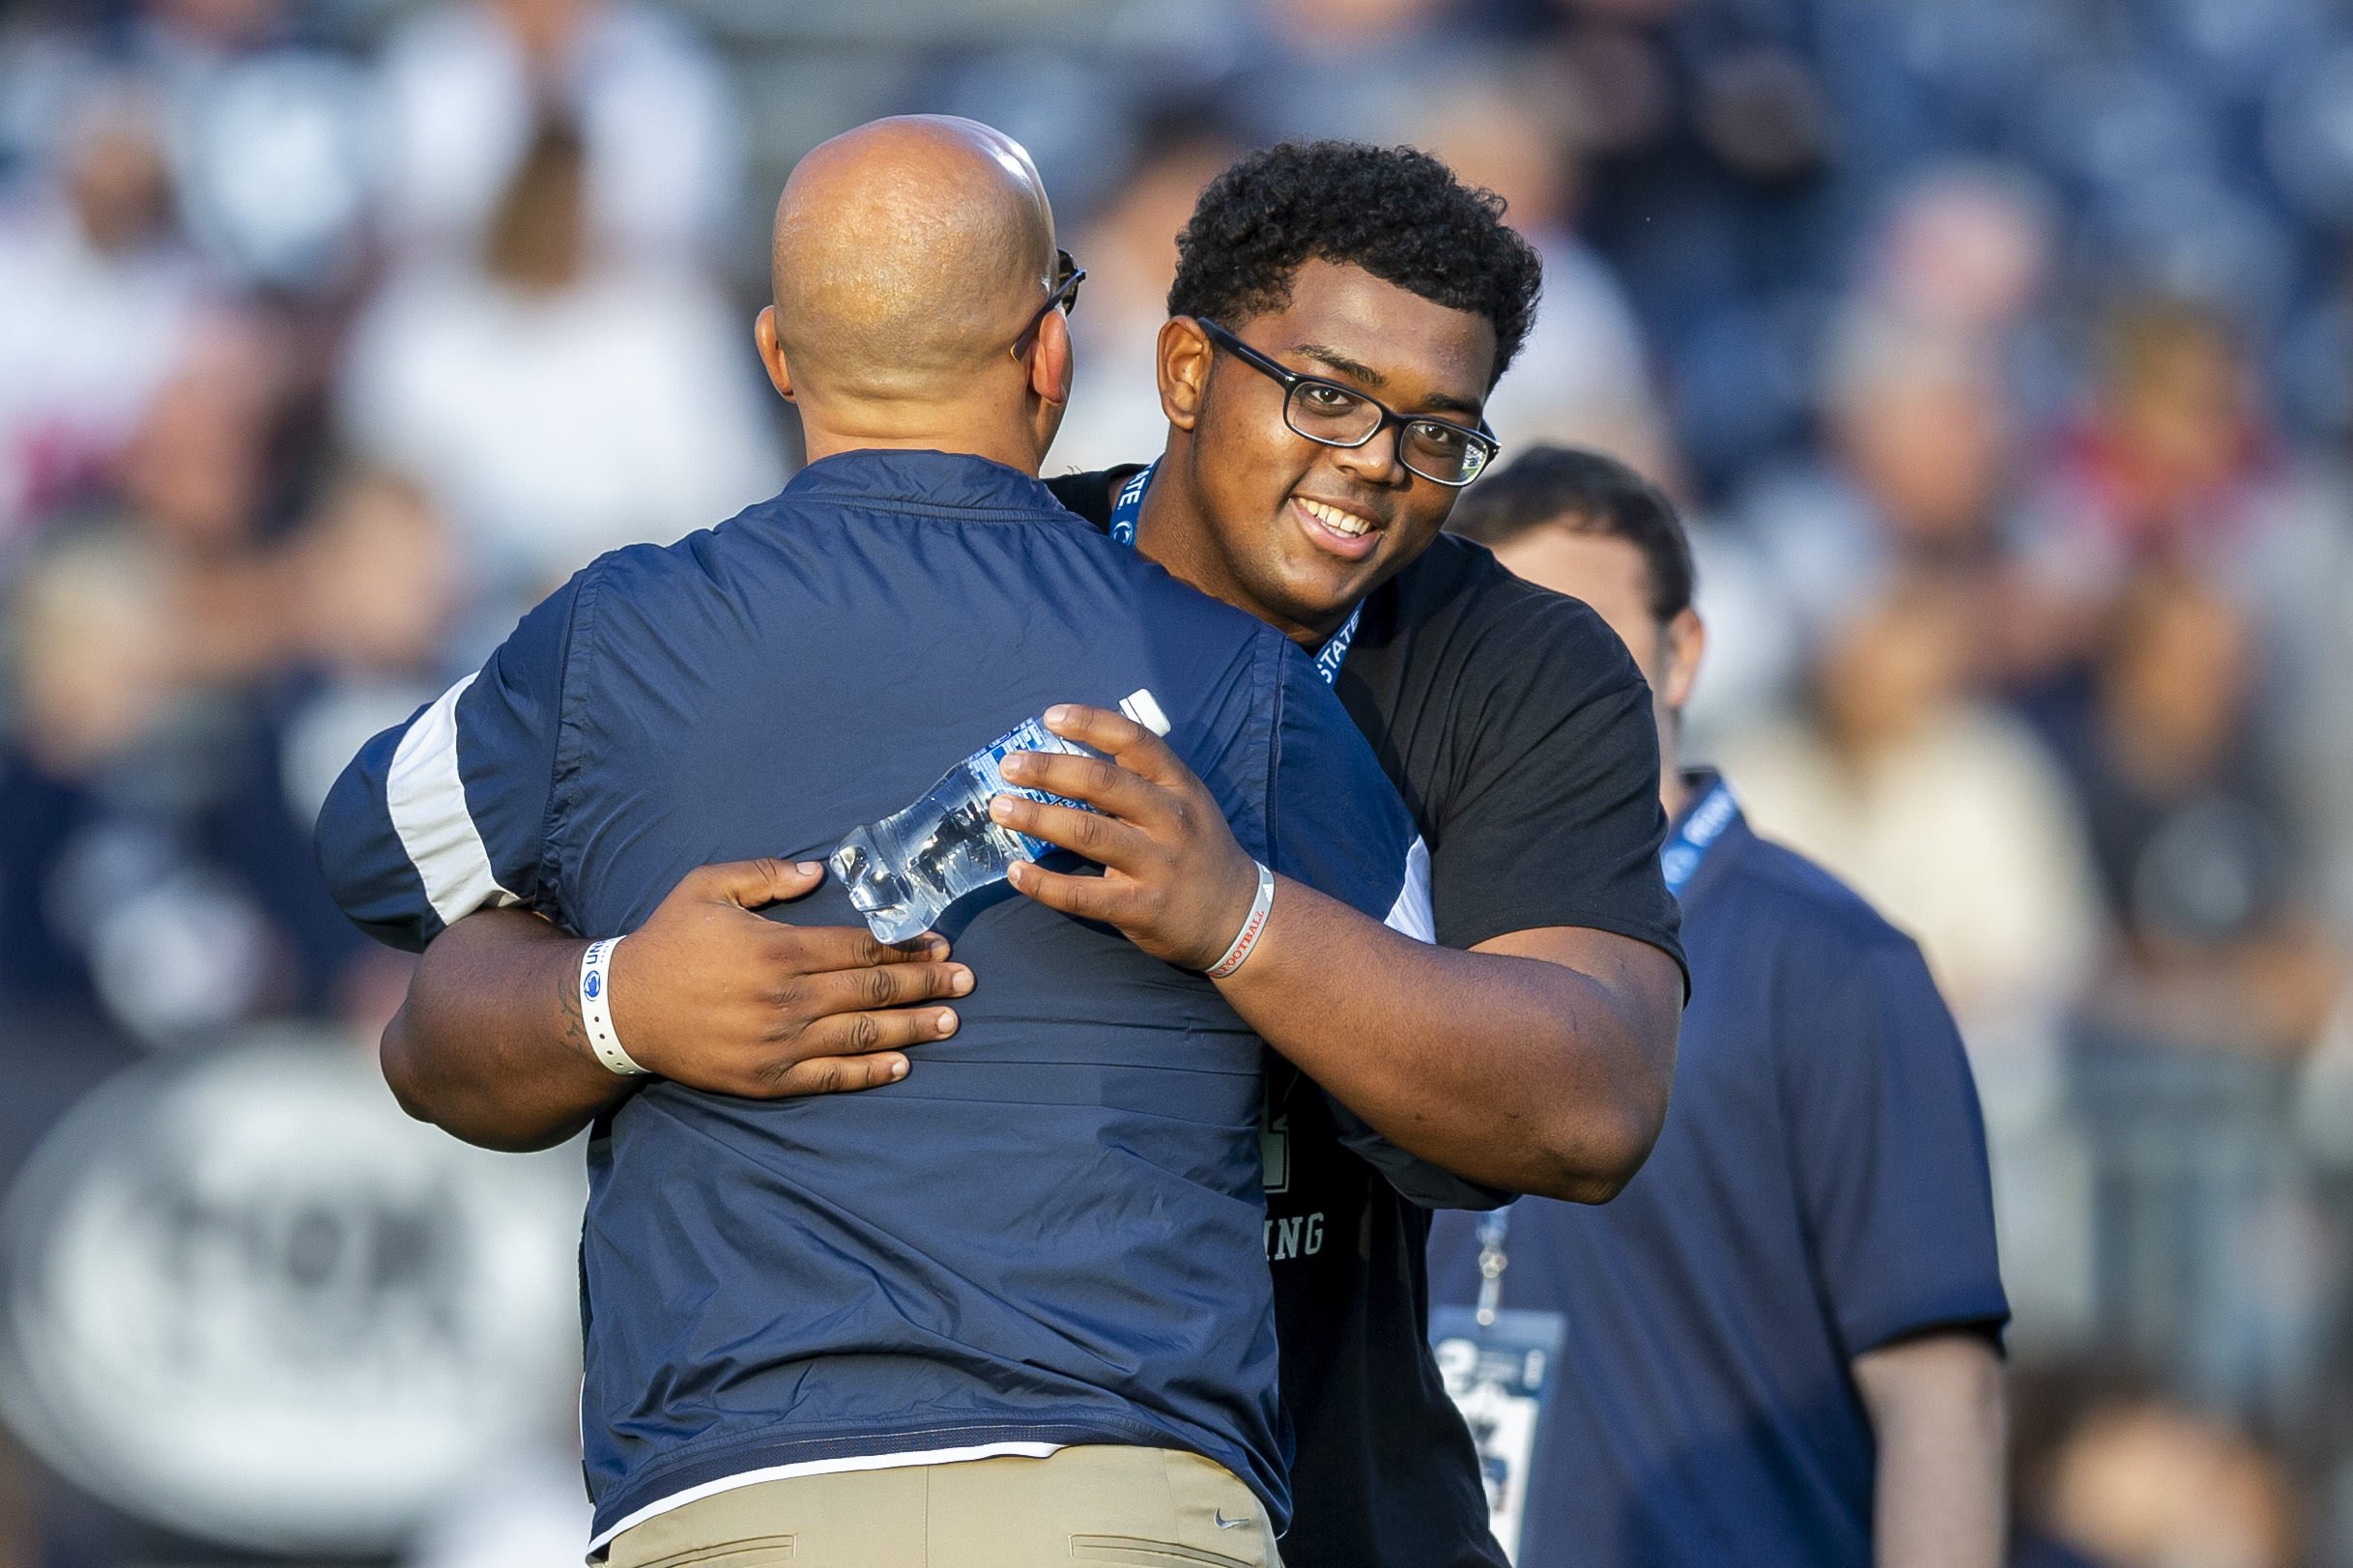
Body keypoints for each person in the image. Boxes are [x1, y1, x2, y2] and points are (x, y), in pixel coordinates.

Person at [382, 141, 1689, 1568]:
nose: (1373, 462)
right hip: (863, 1457)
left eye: (1438, 431)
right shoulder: (954, 574)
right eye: (1324, 393)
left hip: (1322, 1491)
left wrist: (1239, 917)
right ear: (1181, 367)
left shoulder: (1513, 660)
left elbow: (1588, 1100)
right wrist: (617, 997)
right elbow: (437, 981)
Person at [1427, 444, 2011, 1568]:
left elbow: (1938, 1397)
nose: (1535, 678)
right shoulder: (1387, 936)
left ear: (1680, 654)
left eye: (1580, 637)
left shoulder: (1836, 964)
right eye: (1492, 642)